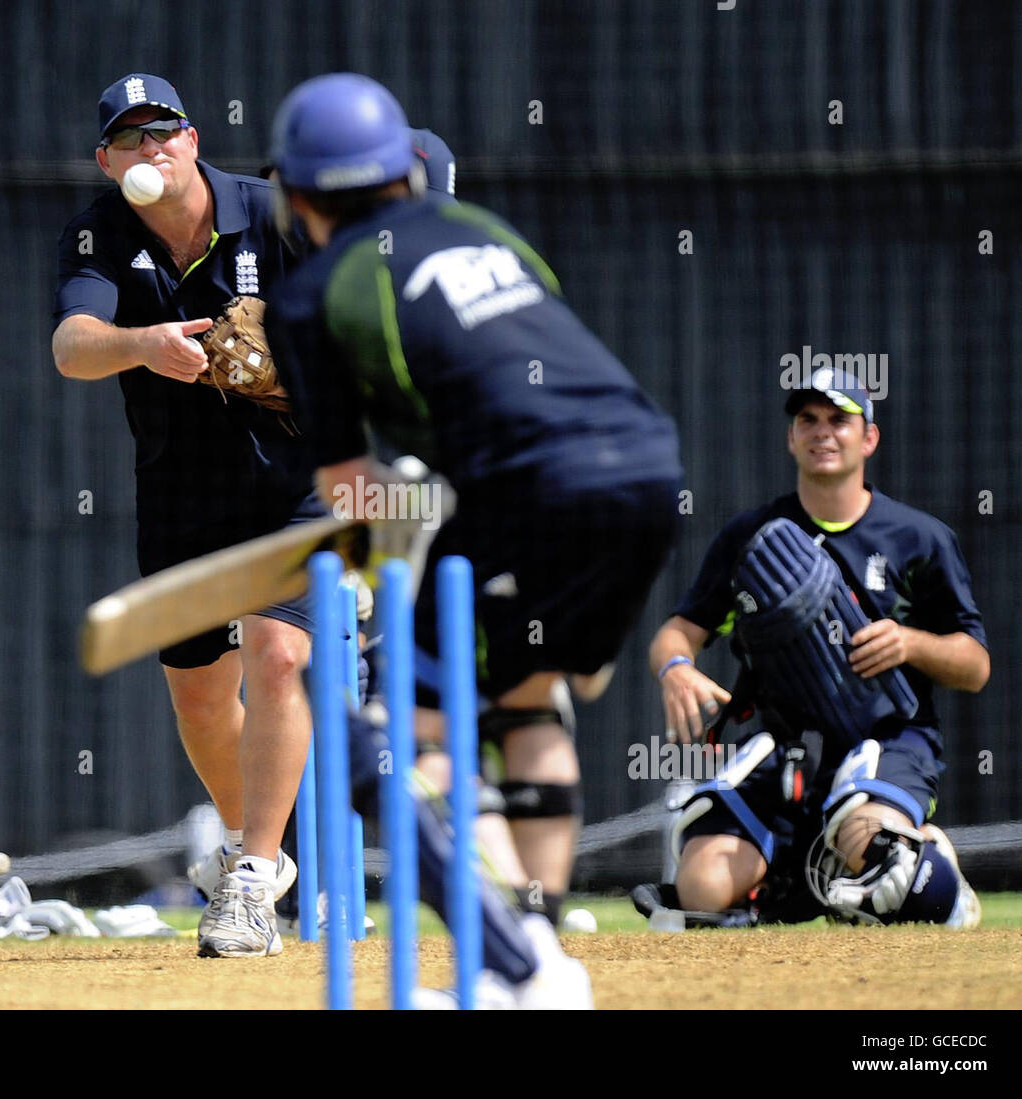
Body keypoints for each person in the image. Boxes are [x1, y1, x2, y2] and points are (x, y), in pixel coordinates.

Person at [264, 73, 682, 953]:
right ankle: (539, 922)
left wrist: (418, 507)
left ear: (295, 197)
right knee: (531, 698)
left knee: (415, 729)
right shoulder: (486, 232)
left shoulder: (311, 296)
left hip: (526, 489)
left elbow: (346, 487)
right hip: (648, 463)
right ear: (408, 177)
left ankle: (507, 947)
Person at [52, 73, 320, 957]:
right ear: (106, 160)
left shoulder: (272, 211)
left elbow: (350, 312)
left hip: (291, 477)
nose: (150, 149)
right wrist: (142, 346)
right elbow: (71, 346)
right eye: (129, 138)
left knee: (279, 652)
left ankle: (251, 875)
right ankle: (260, 856)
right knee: (203, 699)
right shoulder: (98, 231)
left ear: (194, 139)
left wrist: (297, 364)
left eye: (163, 130)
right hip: (181, 486)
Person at [637, 370, 989, 928]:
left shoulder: (919, 538)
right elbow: (677, 632)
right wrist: (677, 667)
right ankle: (802, 885)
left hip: (890, 740)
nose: (822, 432)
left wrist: (911, 641)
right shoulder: (754, 537)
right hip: (788, 749)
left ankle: (922, 850)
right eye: (808, 420)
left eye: (839, 420)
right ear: (791, 438)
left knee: (878, 856)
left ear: (868, 438)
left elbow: (975, 665)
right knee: (700, 886)